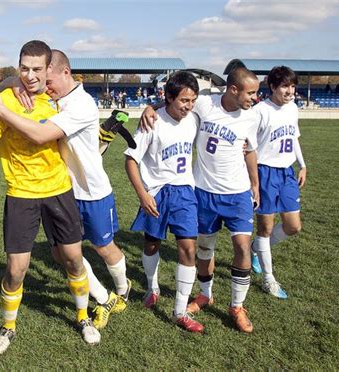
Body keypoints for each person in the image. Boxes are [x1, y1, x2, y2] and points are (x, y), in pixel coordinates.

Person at [0, 41, 99, 355]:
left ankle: (83, 317)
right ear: (18, 67)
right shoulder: (5, 101)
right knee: (15, 269)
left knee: (74, 260)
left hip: (59, 192)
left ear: (48, 69)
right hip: (21, 195)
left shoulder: (60, 101)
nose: (29, 75)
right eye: (23, 68)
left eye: (37, 69)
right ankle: (8, 326)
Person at [0, 49, 131, 331]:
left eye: (48, 81)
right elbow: (7, 82)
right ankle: (105, 298)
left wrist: (2, 109)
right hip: (60, 190)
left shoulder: (81, 104)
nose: (45, 87)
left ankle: (123, 290)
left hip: (91, 190)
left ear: (66, 73)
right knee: (61, 254)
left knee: (103, 247)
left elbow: (40, 135)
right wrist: (14, 85)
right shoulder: (53, 98)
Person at [141, 67, 260, 333]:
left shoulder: (253, 117)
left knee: (242, 246)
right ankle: (205, 294)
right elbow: (178, 99)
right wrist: (151, 106)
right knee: (204, 249)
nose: (254, 98)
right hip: (203, 191)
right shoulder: (204, 104)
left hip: (238, 192)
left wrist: (255, 183)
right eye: (251, 92)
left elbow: (250, 150)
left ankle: (237, 306)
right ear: (233, 89)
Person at [125, 71, 204, 333]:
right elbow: (131, 161)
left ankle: (179, 311)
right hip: (156, 192)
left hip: (184, 193)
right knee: (151, 244)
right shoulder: (152, 122)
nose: (188, 106)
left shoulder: (194, 119)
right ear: (169, 97)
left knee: (189, 249)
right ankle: (152, 286)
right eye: (183, 100)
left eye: (192, 100)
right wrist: (143, 195)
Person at [250, 67, 308, 299]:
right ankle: (268, 279)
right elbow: (249, 146)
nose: (290, 91)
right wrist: (253, 178)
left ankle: (255, 249)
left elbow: (293, 138)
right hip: (265, 173)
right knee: (265, 228)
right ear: (273, 87)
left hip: (286, 173)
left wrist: (302, 165)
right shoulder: (260, 111)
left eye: (293, 86)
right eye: (285, 86)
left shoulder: (293, 108)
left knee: (293, 226)